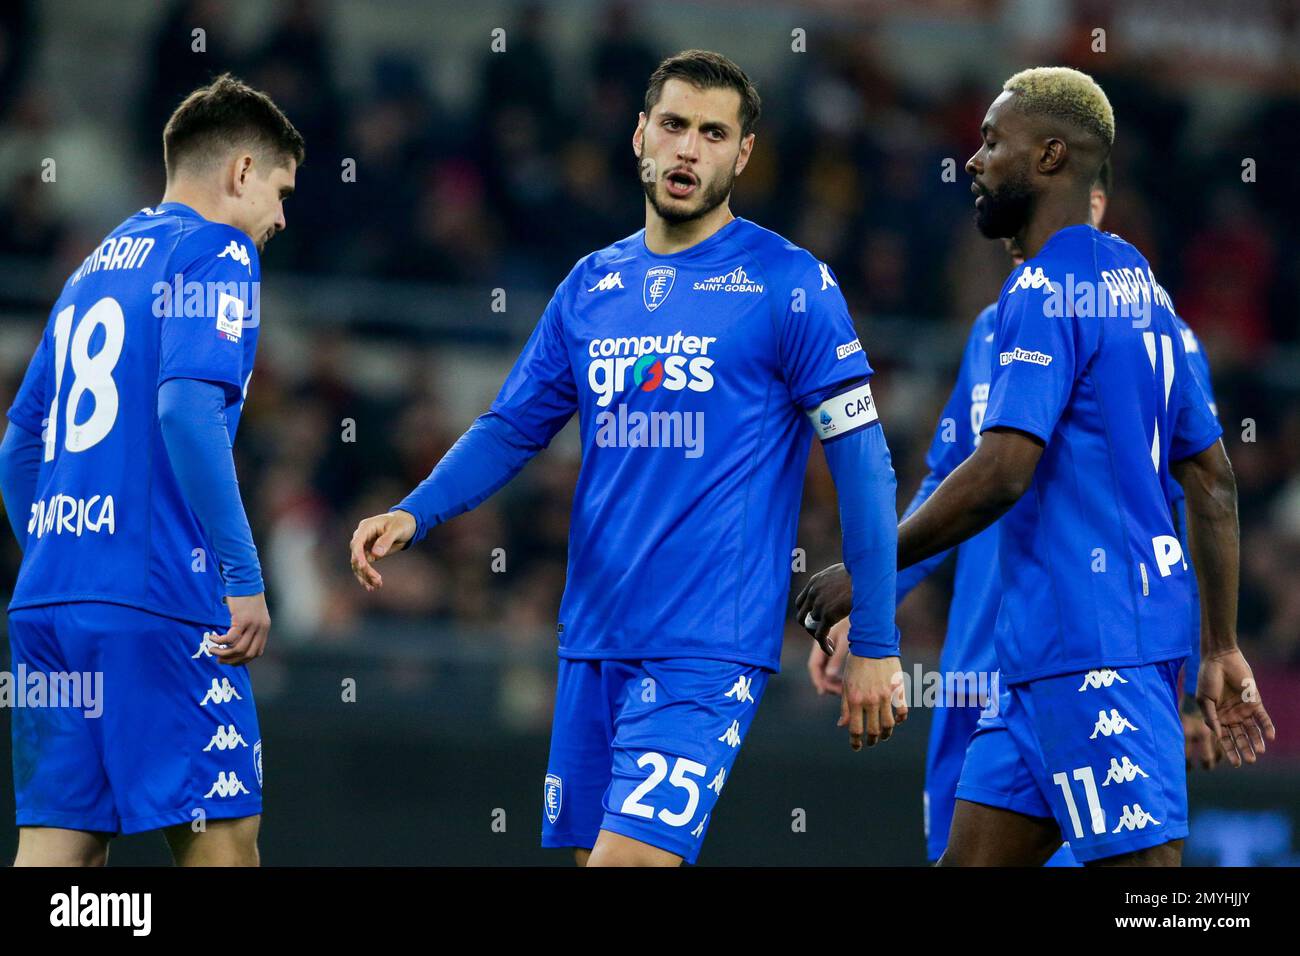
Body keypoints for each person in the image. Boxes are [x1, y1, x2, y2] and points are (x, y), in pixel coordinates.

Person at [349, 50, 902, 867]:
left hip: (705, 645)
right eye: (674, 126)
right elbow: (512, 427)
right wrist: (414, 509)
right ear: (640, 134)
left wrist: (879, 640)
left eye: (713, 134)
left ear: (742, 155)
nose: (688, 150)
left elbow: (863, 463)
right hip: (594, 639)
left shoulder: (789, 283)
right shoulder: (590, 286)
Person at [798, 66, 1273, 865]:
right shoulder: (1146, 295)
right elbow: (1214, 482)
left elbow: (1005, 469)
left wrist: (869, 575)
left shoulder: (1046, 288)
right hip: (1025, 665)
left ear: (1052, 157)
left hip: (1098, 653)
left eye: (991, 141)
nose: (973, 162)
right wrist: (1220, 647)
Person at [0, 74, 301, 866]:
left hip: (47, 606)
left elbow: (18, 445)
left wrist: (62, 558)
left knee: (57, 852)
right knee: (224, 843)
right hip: (159, 600)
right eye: (279, 190)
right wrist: (242, 577)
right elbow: (186, 412)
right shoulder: (220, 250)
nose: (279, 217)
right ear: (241, 172)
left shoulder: (91, 269)